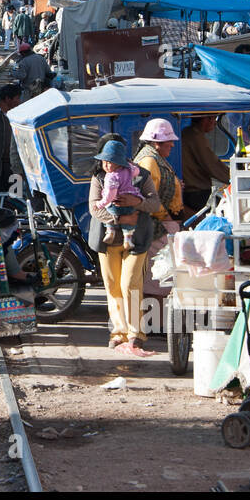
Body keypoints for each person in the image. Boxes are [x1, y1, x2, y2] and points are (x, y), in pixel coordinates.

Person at [88, 136, 161, 355]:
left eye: (111, 161)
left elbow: (155, 203)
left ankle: (136, 334)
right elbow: (94, 208)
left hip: (137, 240)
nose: (106, 165)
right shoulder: (98, 178)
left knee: (130, 283)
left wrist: (136, 203)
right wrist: (120, 220)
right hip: (107, 239)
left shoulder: (141, 176)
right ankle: (118, 332)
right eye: (104, 161)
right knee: (112, 285)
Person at [133, 118, 183, 251]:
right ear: (156, 143)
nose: (172, 145)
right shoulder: (149, 161)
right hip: (154, 227)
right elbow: (149, 196)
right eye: (169, 141)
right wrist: (168, 221)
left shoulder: (156, 158)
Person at [98, 141, 144, 249]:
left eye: (109, 162)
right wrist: (129, 165)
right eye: (104, 161)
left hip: (116, 204)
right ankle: (127, 239)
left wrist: (100, 204)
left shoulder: (111, 176)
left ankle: (110, 231)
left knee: (108, 207)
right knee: (128, 224)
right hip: (130, 204)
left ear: (118, 163)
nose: (106, 165)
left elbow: (110, 195)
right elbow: (137, 171)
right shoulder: (128, 170)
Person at [181, 114, 230, 214]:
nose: (215, 122)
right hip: (196, 193)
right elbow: (213, 165)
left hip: (192, 192)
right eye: (213, 118)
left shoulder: (188, 133)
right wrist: (233, 178)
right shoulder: (195, 136)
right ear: (205, 119)